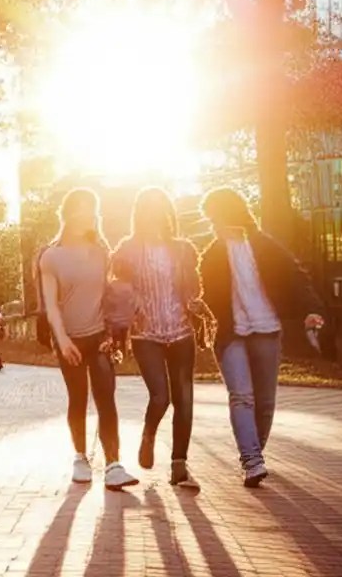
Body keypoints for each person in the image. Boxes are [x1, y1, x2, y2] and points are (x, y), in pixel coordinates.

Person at [198, 188, 325, 488]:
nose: (212, 224)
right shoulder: (213, 254)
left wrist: (311, 310)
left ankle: (255, 453)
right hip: (231, 335)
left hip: (266, 330)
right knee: (241, 396)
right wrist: (198, 309)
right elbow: (205, 295)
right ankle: (252, 460)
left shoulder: (264, 245)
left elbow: (296, 277)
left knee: (265, 402)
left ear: (230, 213)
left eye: (215, 217)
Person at [37, 188, 139, 490]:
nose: (88, 215)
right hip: (69, 339)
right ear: (68, 214)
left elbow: (109, 291)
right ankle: (80, 457)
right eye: (82, 210)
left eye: (91, 210)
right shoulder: (51, 257)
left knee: (106, 396)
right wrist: (62, 339)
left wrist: (115, 329)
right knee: (78, 398)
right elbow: (52, 305)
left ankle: (113, 464)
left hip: (99, 336)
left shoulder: (100, 252)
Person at [110, 188, 203, 491]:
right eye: (150, 210)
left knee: (184, 397)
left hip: (180, 330)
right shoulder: (127, 249)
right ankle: (148, 435)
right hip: (145, 332)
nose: (157, 216)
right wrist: (131, 301)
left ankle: (179, 465)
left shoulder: (182, 249)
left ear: (168, 214)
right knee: (160, 396)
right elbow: (118, 286)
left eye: (162, 209)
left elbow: (194, 287)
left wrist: (194, 301)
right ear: (140, 214)